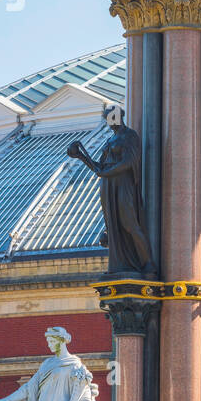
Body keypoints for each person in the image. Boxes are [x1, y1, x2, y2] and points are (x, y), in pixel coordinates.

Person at [67, 106, 153, 277]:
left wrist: (106, 172)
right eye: (107, 119)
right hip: (108, 185)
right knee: (113, 226)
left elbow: (129, 162)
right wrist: (81, 156)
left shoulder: (129, 136)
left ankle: (148, 263)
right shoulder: (110, 141)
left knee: (129, 223)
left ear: (119, 117)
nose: (110, 122)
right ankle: (121, 265)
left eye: (112, 118)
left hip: (123, 183)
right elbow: (99, 167)